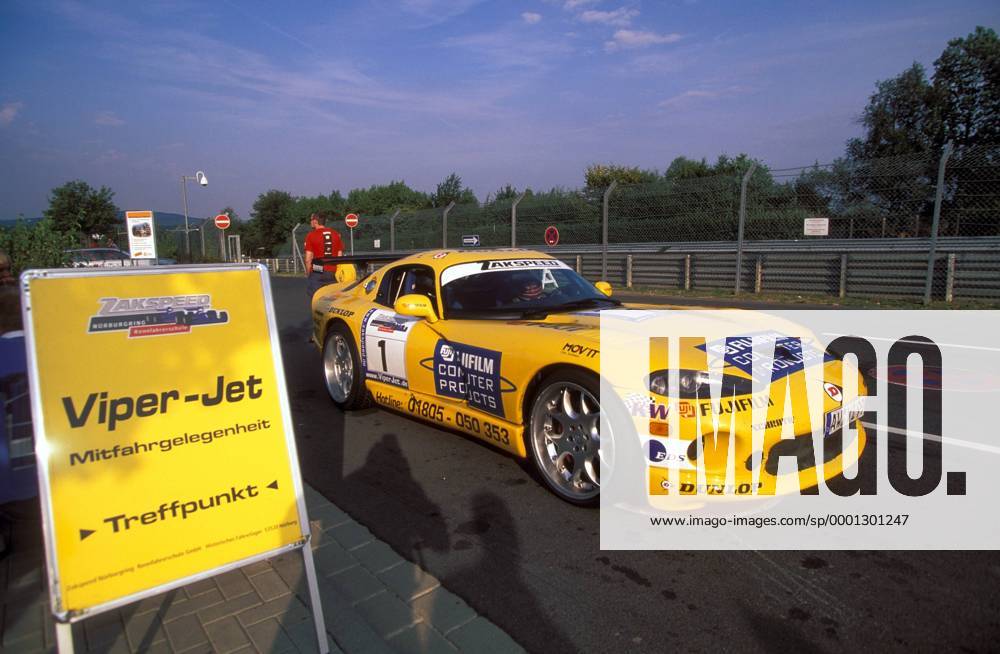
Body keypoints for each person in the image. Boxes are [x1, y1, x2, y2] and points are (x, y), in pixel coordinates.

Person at [304, 212, 344, 303]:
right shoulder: (335, 234)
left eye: (311, 220)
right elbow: (339, 255)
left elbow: (308, 259)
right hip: (332, 270)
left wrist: (308, 273)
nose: (310, 222)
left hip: (317, 269)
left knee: (316, 299)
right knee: (333, 300)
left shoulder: (311, 235)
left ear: (315, 221)